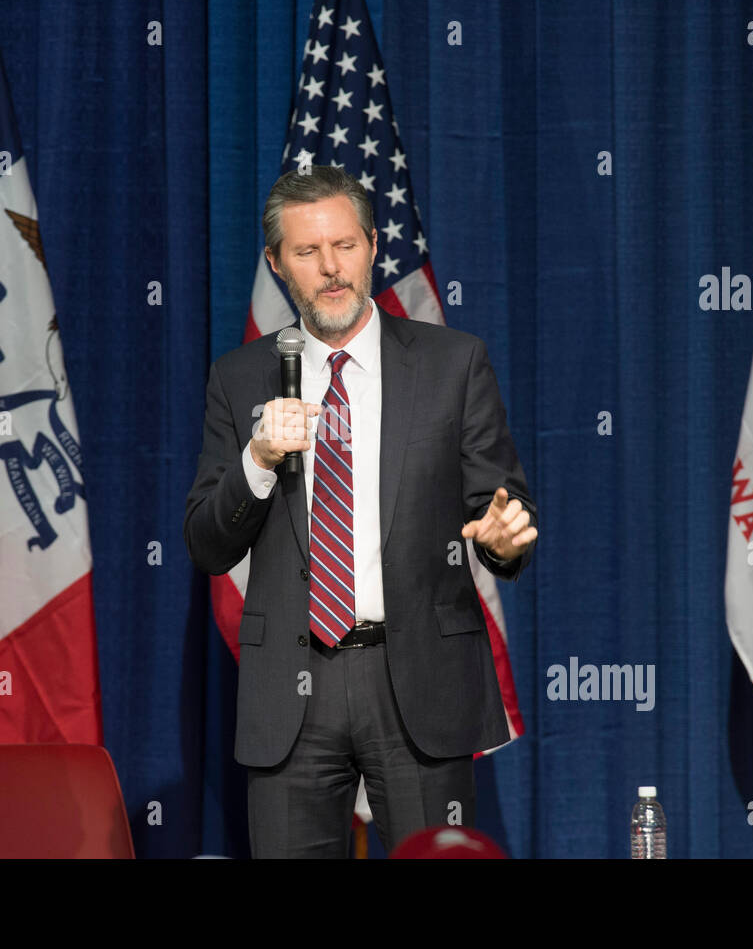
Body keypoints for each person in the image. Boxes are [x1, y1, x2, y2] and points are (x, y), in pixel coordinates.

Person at [184, 166, 538, 858]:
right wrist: (256, 459)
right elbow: (205, 544)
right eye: (309, 252)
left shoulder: (453, 364)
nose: (331, 269)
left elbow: (503, 509)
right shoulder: (239, 378)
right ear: (277, 263)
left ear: (374, 245)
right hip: (292, 687)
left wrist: (502, 538)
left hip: (418, 683)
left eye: (345, 245)